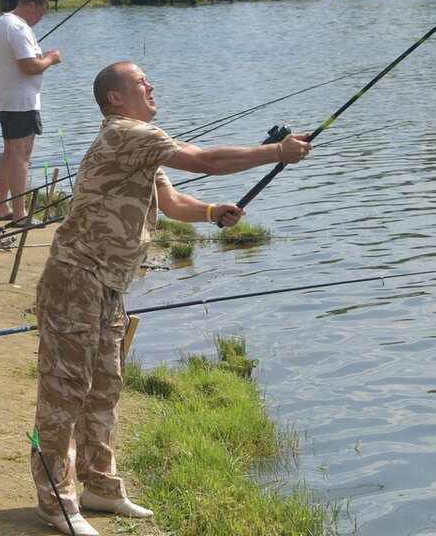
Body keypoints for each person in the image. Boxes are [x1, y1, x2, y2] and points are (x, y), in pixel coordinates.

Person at [30, 61, 313, 536]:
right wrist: (276, 152)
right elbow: (207, 161)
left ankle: (98, 485)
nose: (152, 86)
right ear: (117, 97)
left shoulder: (140, 147)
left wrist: (209, 211)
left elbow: (174, 200)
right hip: (74, 280)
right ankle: (55, 502)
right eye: (142, 82)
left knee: (105, 387)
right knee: (63, 394)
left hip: (109, 286)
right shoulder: (124, 133)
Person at [0, 0, 61, 224]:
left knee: (9, 153)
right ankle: (20, 214)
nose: (40, 19)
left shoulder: (2, 22)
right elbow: (29, 66)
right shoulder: (19, 28)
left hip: (6, 99)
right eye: (40, 13)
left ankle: (2, 208)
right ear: (30, 6)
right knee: (21, 156)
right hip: (21, 102)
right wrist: (51, 58)